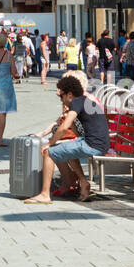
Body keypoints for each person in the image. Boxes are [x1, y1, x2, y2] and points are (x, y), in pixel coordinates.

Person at [23, 75, 108, 204]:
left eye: (61, 96)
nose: (61, 101)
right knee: (68, 149)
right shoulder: (85, 101)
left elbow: (63, 128)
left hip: (92, 145)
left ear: (69, 94)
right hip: (99, 143)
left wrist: (50, 144)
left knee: (49, 153)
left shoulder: (76, 102)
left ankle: (45, 194)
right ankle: (83, 183)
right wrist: (69, 116)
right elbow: (78, 132)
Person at [0, 33, 20, 147]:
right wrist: (17, 76)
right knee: (2, 113)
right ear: (5, 42)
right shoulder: (9, 55)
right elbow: (14, 72)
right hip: (6, 86)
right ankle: (0, 138)